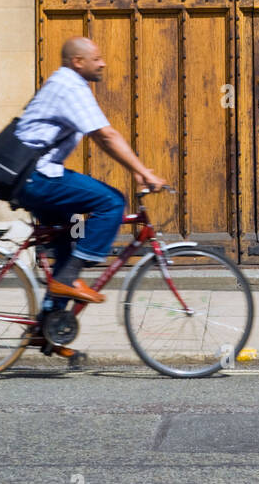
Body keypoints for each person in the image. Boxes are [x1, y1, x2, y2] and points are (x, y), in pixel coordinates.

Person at [14, 36, 168, 352]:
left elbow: (100, 137)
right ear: (77, 62)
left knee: (68, 241)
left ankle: (47, 329)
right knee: (110, 201)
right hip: (37, 177)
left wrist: (135, 169)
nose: (103, 63)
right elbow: (106, 135)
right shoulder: (70, 85)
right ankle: (68, 280)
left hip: (32, 177)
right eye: (96, 58)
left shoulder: (66, 83)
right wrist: (144, 171)